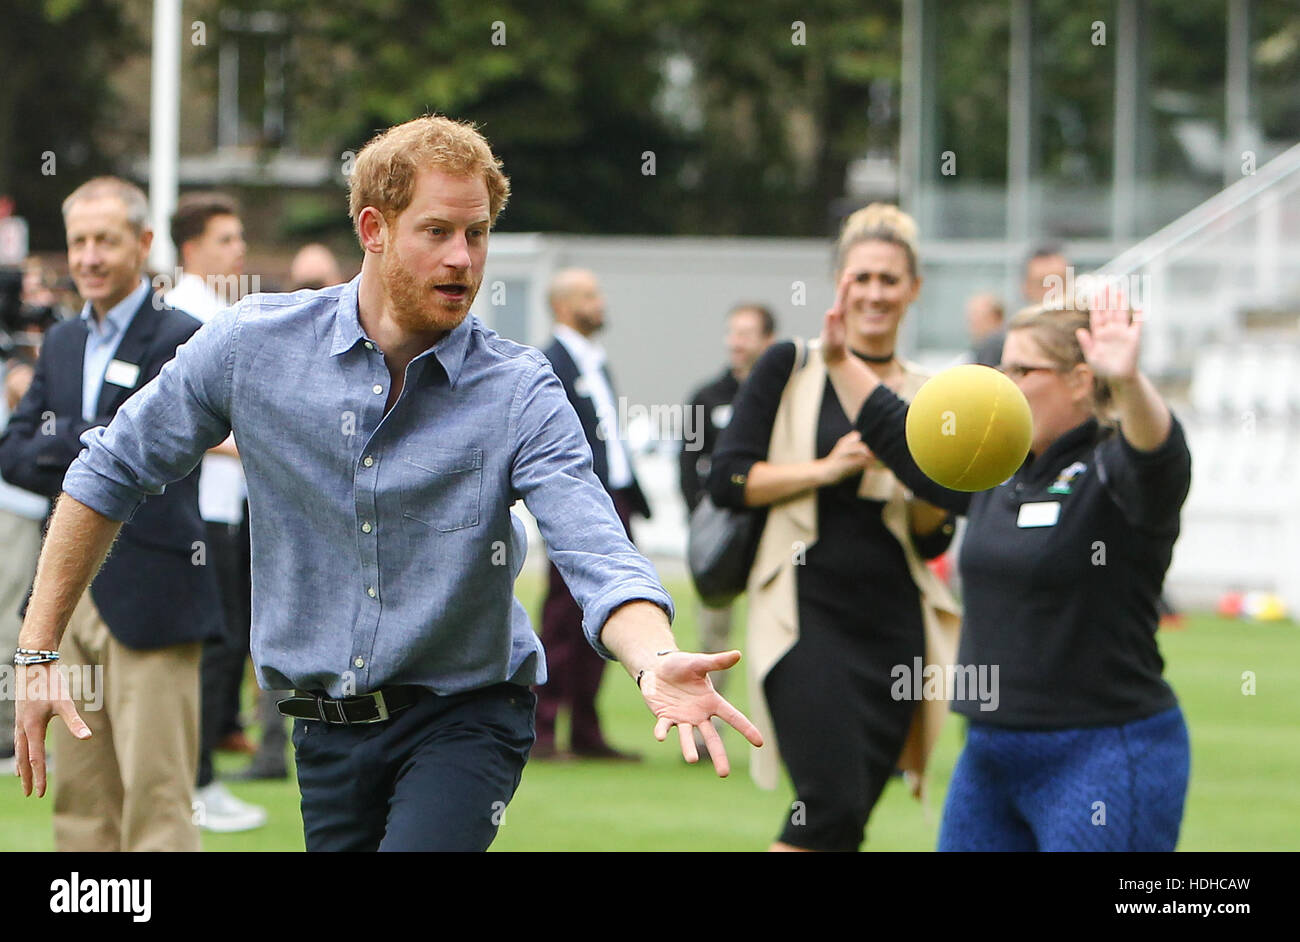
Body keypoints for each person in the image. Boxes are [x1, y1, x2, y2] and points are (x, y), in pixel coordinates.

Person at [13, 116, 762, 852]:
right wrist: (39, 650)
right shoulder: (254, 347)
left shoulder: (518, 387)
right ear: (373, 229)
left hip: (466, 716)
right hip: (323, 729)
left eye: (477, 235)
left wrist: (655, 655)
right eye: (437, 232)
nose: (463, 259)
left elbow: (595, 545)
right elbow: (108, 469)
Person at [822, 281, 1193, 851]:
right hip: (991, 751)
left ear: (1080, 379)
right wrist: (838, 360)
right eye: (1001, 369)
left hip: (1104, 752)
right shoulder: (1001, 469)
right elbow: (905, 438)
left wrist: (1129, 381)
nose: (1005, 387)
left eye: (1024, 371)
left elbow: (1157, 456)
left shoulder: (1115, 469)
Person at [708, 204, 960, 852]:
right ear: (838, 284)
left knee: (842, 823)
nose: (875, 293)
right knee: (829, 802)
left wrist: (916, 480)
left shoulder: (929, 394)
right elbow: (729, 480)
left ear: (914, 290)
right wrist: (826, 469)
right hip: (805, 612)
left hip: (896, 625)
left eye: (890, 280)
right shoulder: (789, 365)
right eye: (862, 278)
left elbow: (935, 534)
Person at [0, 177, 223, 851]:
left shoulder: (183, 337)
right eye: (79, 242)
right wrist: (95, 435)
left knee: (156, 804)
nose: (90, 257)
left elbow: (156, 453)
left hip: (152, 593)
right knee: (79, 805)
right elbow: (11, 451)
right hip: (66, 596)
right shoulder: (64, 341)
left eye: (107, 240)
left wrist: (67, 435)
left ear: (145, 244)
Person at [165, 193, 267, 832]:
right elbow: (174, 421)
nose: (240, 251)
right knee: (210, 643)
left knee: (229, 641)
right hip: (196, 510)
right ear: (192, 248)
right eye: (226, 239)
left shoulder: (226, 311)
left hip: (230, 506)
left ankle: (203, 773)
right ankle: (195, 781)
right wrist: (254, 444)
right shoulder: (183, 316)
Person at [534, 268, 652, 761]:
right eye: (588, 295)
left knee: (610, 615)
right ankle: (540, 730)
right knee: (563, 619)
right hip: (577, 508)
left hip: (615, 501)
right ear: (562, 306)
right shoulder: (550, 362)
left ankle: (586, 729)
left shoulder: (595, 362)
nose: (599, 302)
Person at [678, 302, 776, 703]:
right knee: (712, 637)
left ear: (767, 340)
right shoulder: (707, 396)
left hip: (770, 532)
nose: (737, 342)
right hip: (721, 535)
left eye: (747, 333)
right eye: (733, 332)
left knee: (773, 631)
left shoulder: (779, 397)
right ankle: (704, 726)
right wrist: (701, 515)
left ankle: (773, 731)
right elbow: (687, 461)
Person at [974, 246, 1069, 368]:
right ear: (1025, 287)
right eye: (1043, 283)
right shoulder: (999, 347)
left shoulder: (1087, 341)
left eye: (1060, 281)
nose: (1053, 291)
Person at [965, 291, 1005, 367]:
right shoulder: (980, 346)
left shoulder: (993, 346)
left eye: (976, 314)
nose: (971, 320)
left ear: (994, 317)